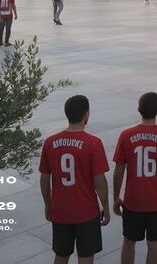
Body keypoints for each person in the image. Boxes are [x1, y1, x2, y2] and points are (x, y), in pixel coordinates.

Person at [38, 95, 110, 264]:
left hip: (60, 210)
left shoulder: (50, 142)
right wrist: (105, 206)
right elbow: (100, 181)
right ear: (87, 114)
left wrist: (48, 205)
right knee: (85, 257)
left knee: (61, 255)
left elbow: (44, 179)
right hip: (86, 212)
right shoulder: (93, 143)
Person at [112, 92, 157, 264]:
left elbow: (118, 170)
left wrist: (115, 197)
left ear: (138, 109)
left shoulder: (126, 135)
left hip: (133, 200)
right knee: (154, 243)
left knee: (129, 241)